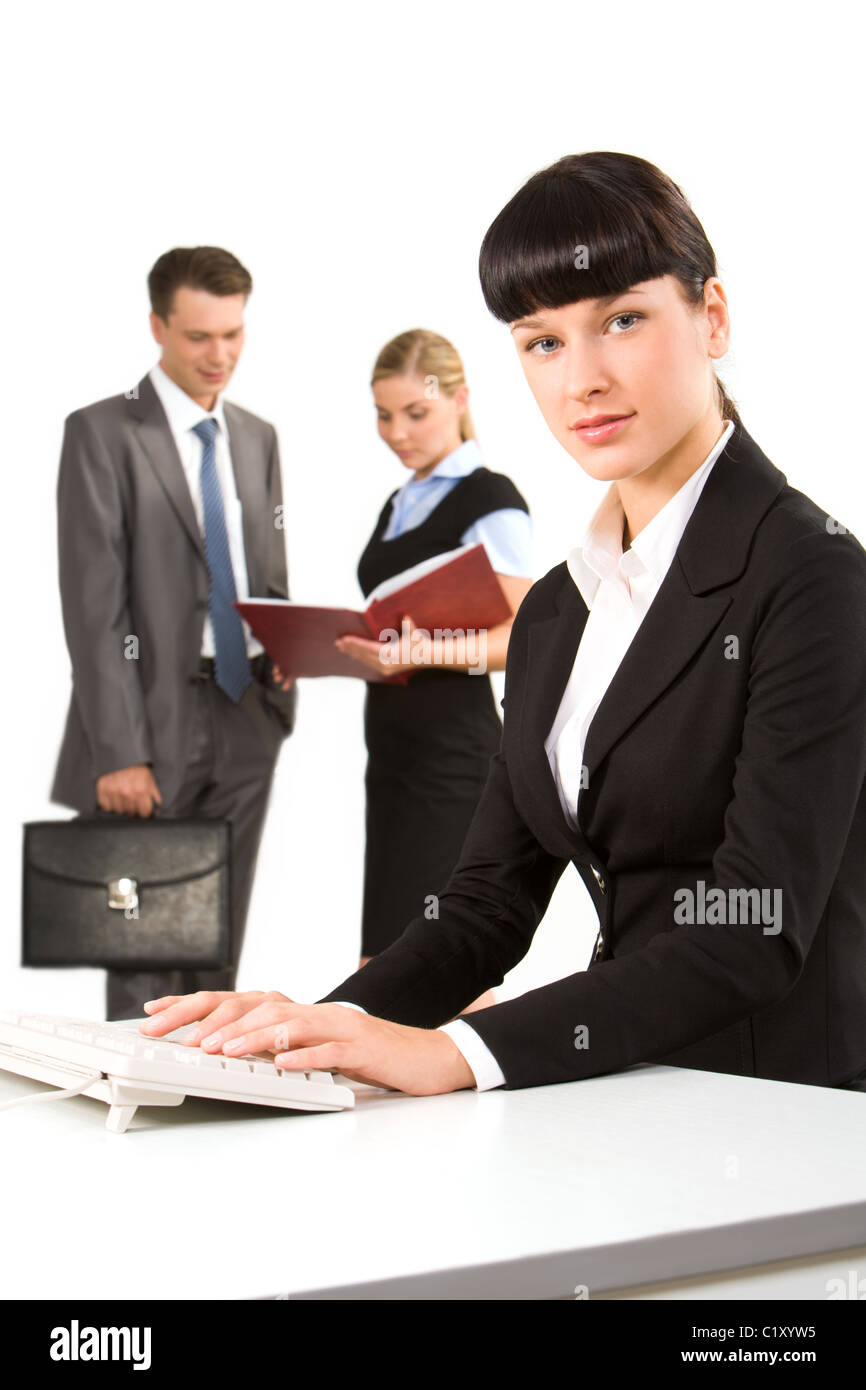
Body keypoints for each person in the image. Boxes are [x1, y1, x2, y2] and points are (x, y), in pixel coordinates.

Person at [139, 153, 866, 1098]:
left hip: (786, 1114)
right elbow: (485, 901)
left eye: (623, 320)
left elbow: (751, 925)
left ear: (712, 317)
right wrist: (324, 1028)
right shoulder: (561, 609)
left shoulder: (814, 577)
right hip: (630, 1091)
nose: (584, 379)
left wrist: (457, 1052)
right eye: (542, 342)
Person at [51, 246, 297, 1021]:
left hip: (246, 712)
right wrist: (117, 748)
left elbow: (268, 578)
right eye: (199, 337)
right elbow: (94, 607)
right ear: (157, 326)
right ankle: (143, 1103)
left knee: (216, 938)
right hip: (150, 722)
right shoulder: (102, 432)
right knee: (146, 939)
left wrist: (285, 651)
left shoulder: (256, 438)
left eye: (233, 333)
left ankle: (204, 1103)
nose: (219, 355)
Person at [331, 330, 533, 1005]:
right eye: (384, 415)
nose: (397, 432)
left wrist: (427, 653)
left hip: (453, 751)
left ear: (460, 399)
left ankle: (488, 1090)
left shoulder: (490, 497)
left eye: (415, 414)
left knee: (442, 959)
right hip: (392, 747)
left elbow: (523, 636)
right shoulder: (400, 500)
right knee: (382, 955)